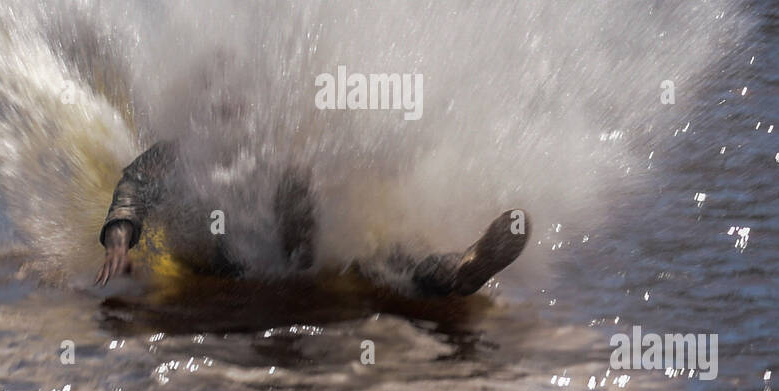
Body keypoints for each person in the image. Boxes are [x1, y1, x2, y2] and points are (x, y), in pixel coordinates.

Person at [96, 142, 530, 297]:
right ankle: (455, 269)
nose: (230, 106)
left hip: (282, 258)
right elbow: (133, 189)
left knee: (373, 257)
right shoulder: (178, 153)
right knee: (368, 265)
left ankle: (463, 266)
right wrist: (119, 241)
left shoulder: (270, 141)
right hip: (230, 262)